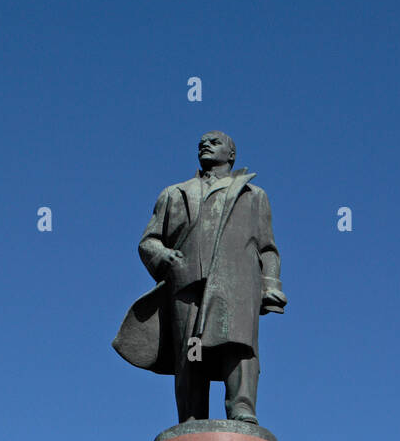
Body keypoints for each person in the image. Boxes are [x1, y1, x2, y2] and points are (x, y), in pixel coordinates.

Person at [113, 131, 287, 424]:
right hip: (187, 281)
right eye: (201, 143)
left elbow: (267, 248)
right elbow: (148, 241)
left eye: (215, 142)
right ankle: (192, 417)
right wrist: (162, 255)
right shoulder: (174, 193)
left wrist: (270, 284)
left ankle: (242, 408)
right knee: (190, 351)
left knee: (238, 346)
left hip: (238, 283)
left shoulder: (254, 195)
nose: (206, 145)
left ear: (231, 154)